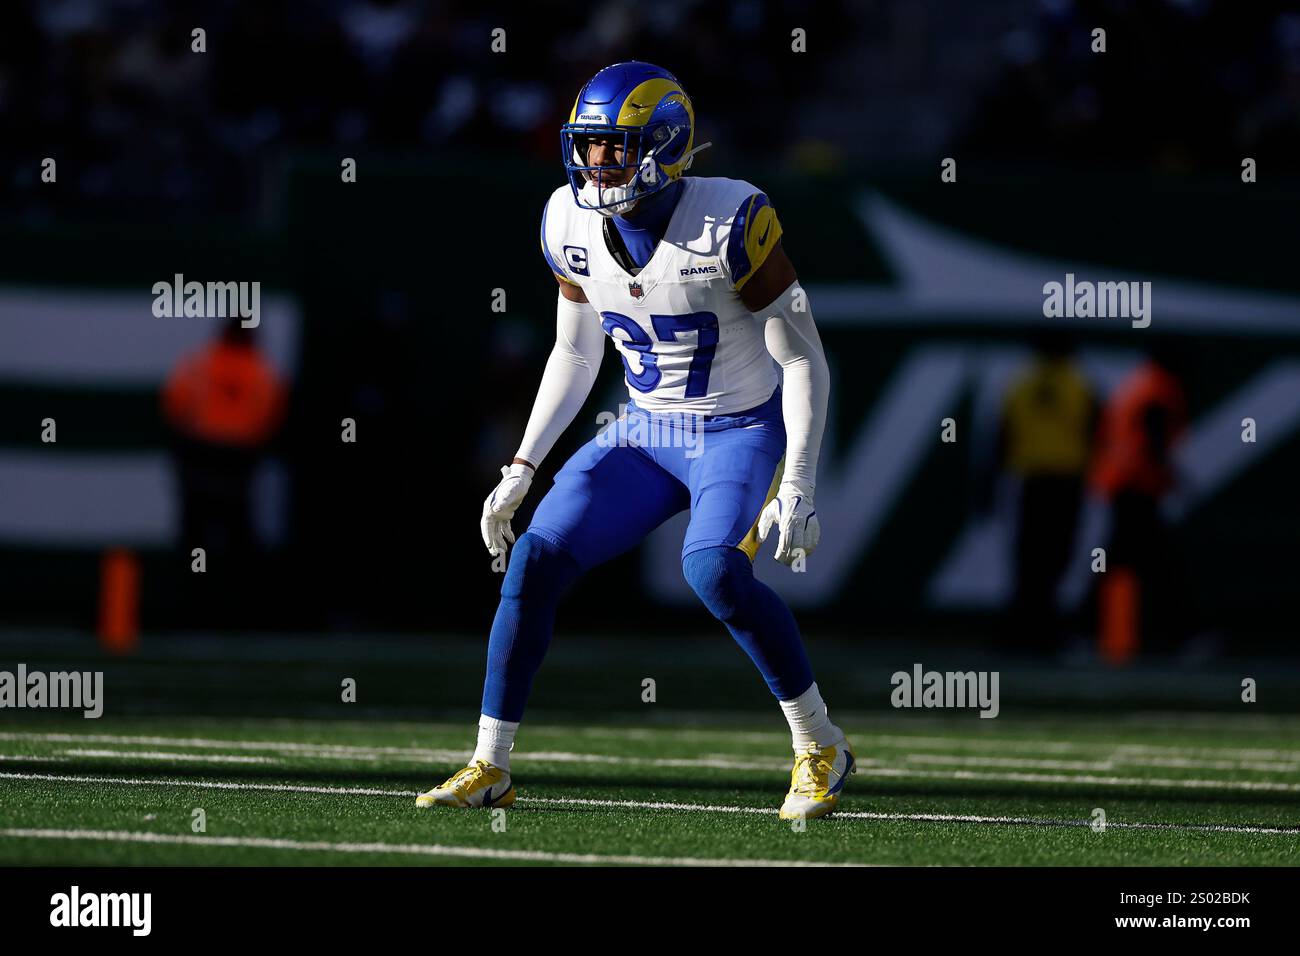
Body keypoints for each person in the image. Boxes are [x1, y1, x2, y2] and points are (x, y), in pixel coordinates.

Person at [417, 62, 852, 819]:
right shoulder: (567, 220)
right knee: (536, 557)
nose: (595, 163)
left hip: (738, 427)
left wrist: (800, 482)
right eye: (587, 146)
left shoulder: (731, 218)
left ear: (664, 145)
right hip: (645, 427)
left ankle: (820, 743)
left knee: (713, 573)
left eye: (614, 148)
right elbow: (577, 353)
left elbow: (801, 355)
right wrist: (523, 464)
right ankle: (490, 763)